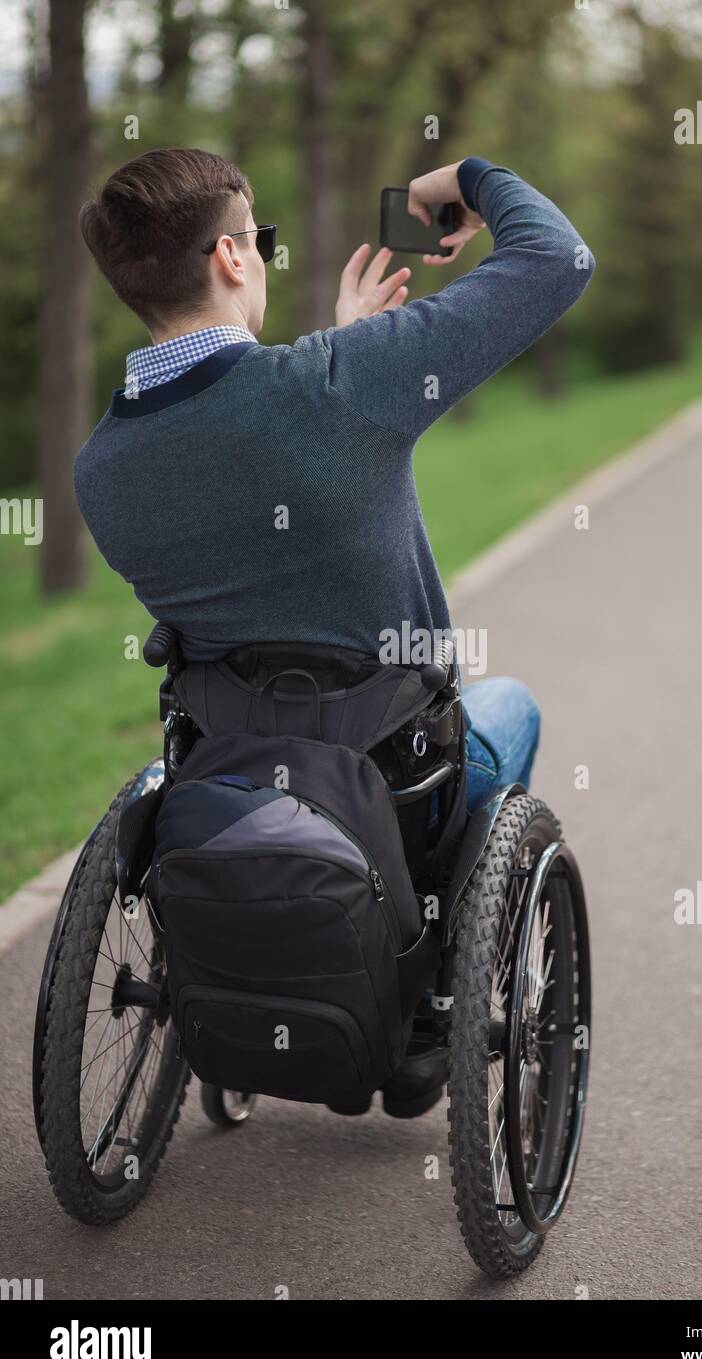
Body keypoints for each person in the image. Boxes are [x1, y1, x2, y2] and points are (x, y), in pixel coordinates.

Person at [74, 148, 595, 1113]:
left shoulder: (101, 467)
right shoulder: (344, 386)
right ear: (232, 258)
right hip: (393, 775)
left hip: (221, 768)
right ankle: (428, 996)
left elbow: (245, 486)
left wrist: (345, 354)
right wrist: (468, 179)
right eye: (259, 241)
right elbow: (558, 259)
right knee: (509, 705)